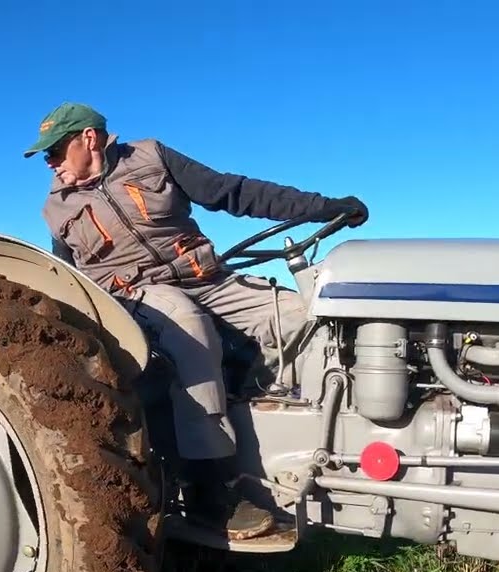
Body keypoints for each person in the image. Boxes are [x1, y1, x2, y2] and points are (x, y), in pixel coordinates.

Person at [25, 102, 368, 541]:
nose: (50, 164)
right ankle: (210, 492)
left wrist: (320, 207)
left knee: (302, 317)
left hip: (206, 277)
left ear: (87, 139)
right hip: (135, 297)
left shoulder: (150, 157)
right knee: (189, 329)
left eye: (54, 152)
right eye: (47, 157)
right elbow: (68, 280)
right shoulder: (56, 208)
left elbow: (232, 192)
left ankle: (287, 428)